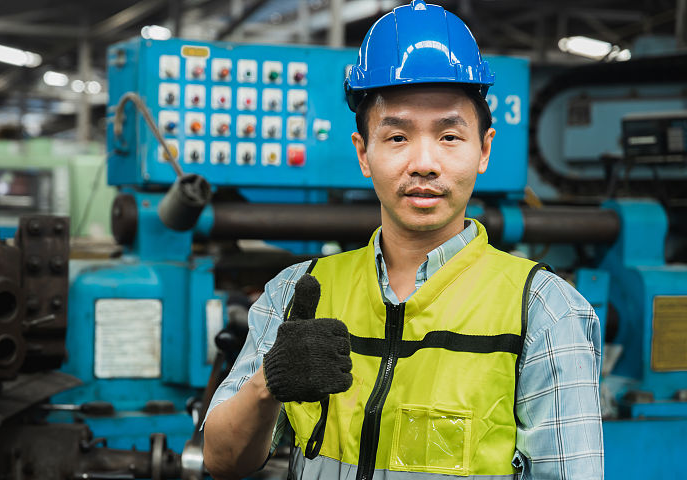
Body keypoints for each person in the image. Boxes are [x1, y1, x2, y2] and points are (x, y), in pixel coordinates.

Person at [200, 1, 604, 479]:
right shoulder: (297, 293)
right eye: (397, 138)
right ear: (363, 154)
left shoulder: (542, 310)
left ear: (485, 150)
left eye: (450, 136)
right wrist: (269, 383)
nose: (425, 163)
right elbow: (222, 462)